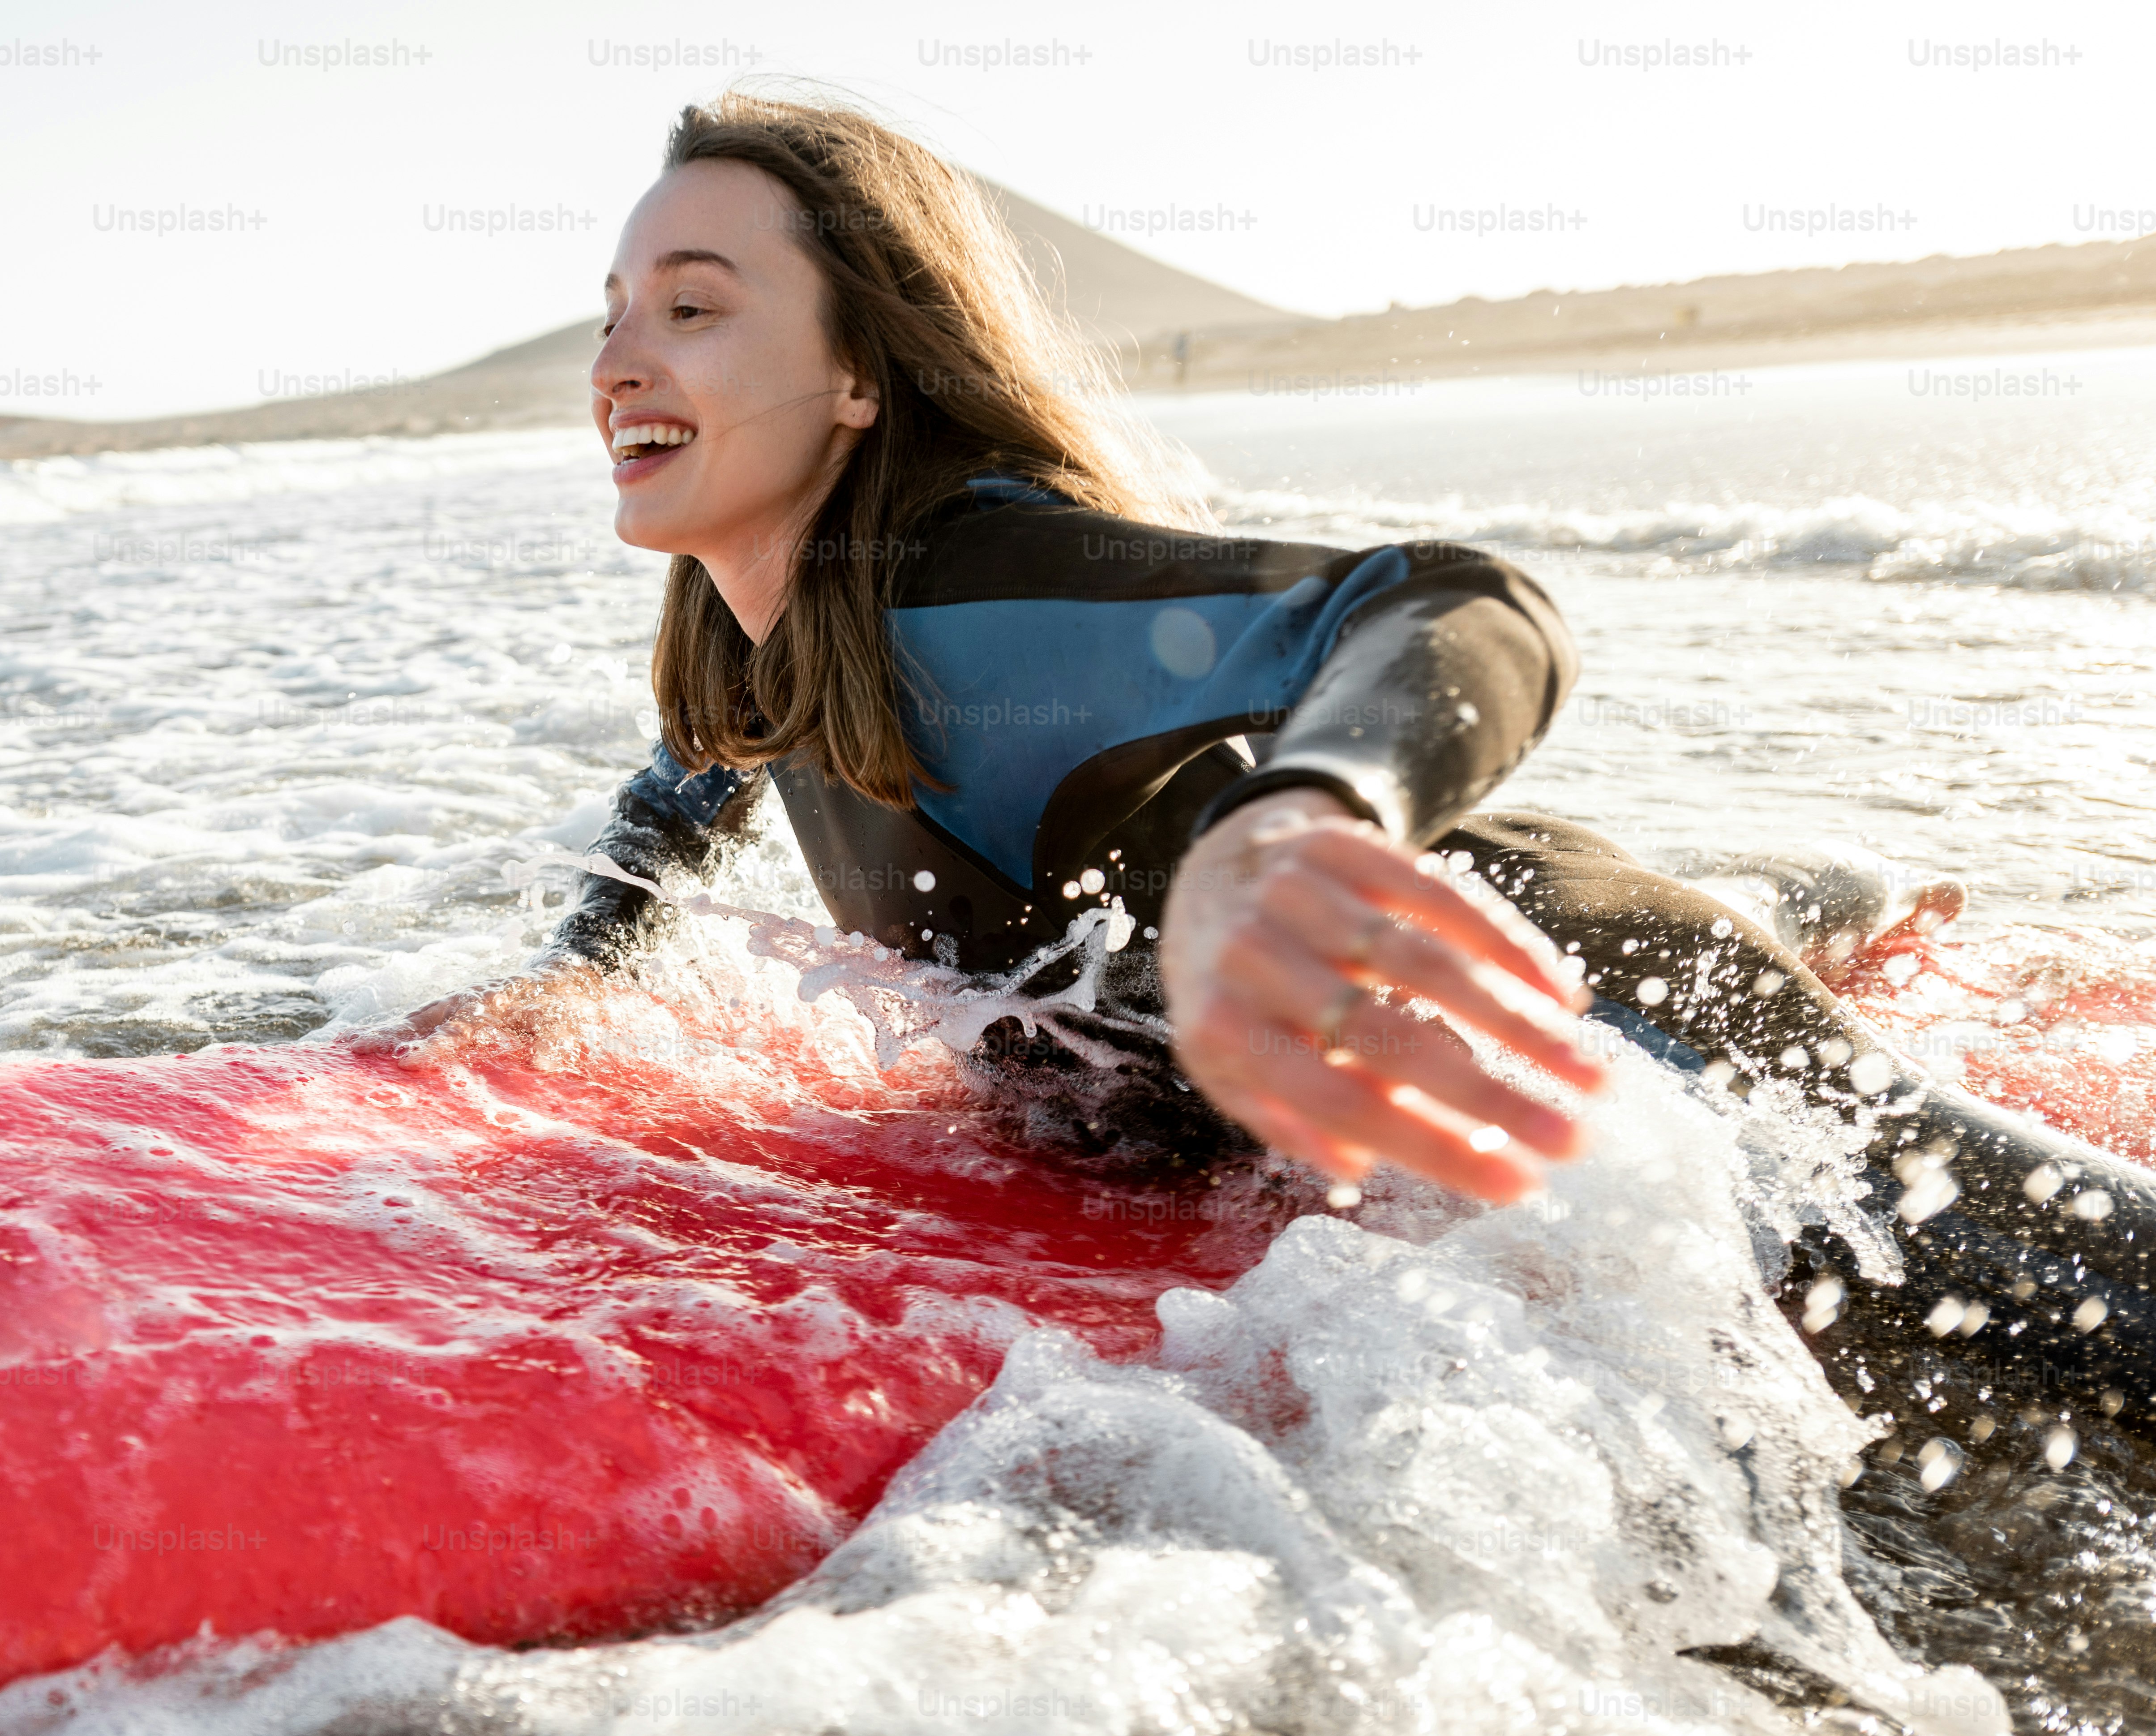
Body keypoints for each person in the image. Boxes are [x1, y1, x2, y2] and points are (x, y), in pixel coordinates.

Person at [416, 92, 2148, 1498]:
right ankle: (1822, 883)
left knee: (2089, 1293)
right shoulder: (768, 628)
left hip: (1589, 1010)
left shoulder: (969, 588)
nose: (619, 359)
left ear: (863, 376)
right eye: (618, 311)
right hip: (1375, 1005)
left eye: (695, 308)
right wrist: (585, 967)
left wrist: (1300, 814)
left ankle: (1804, 902)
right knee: (1730, 898)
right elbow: (685, 783)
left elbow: (1443, 600)